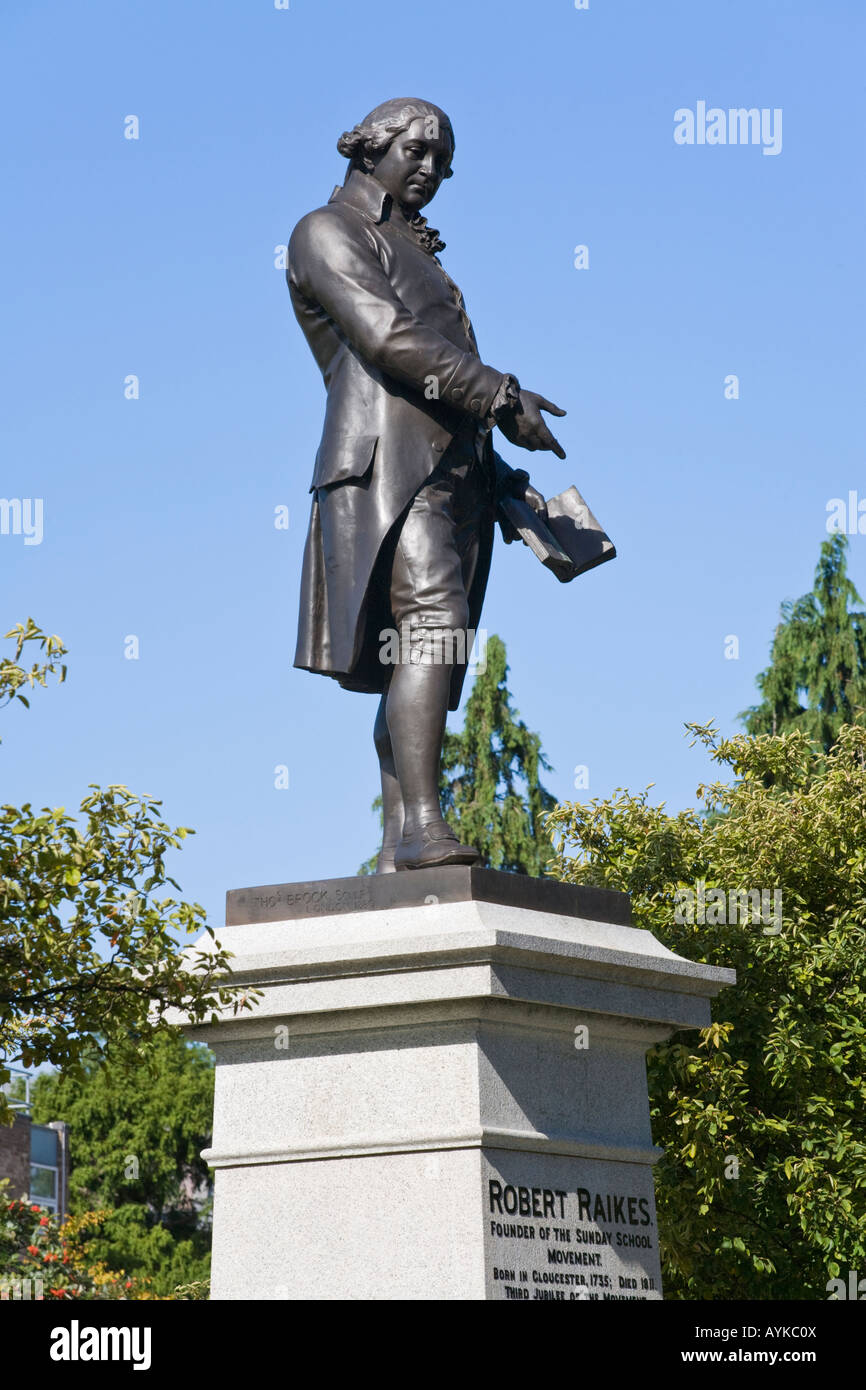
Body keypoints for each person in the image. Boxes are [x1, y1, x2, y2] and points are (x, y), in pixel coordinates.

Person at [287, 98, 566, 872]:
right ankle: (419, 830)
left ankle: (400, 839)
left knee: (425, 647)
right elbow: (386, 338)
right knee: (430, 627)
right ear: (370, 146)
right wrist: (501, 395)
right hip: (385, 471)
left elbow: (433, 382)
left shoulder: (416, 249)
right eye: (417, 151)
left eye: (443, 161)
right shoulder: (327, 230)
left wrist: (501, 473)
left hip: (452, 476)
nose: (432, 170)